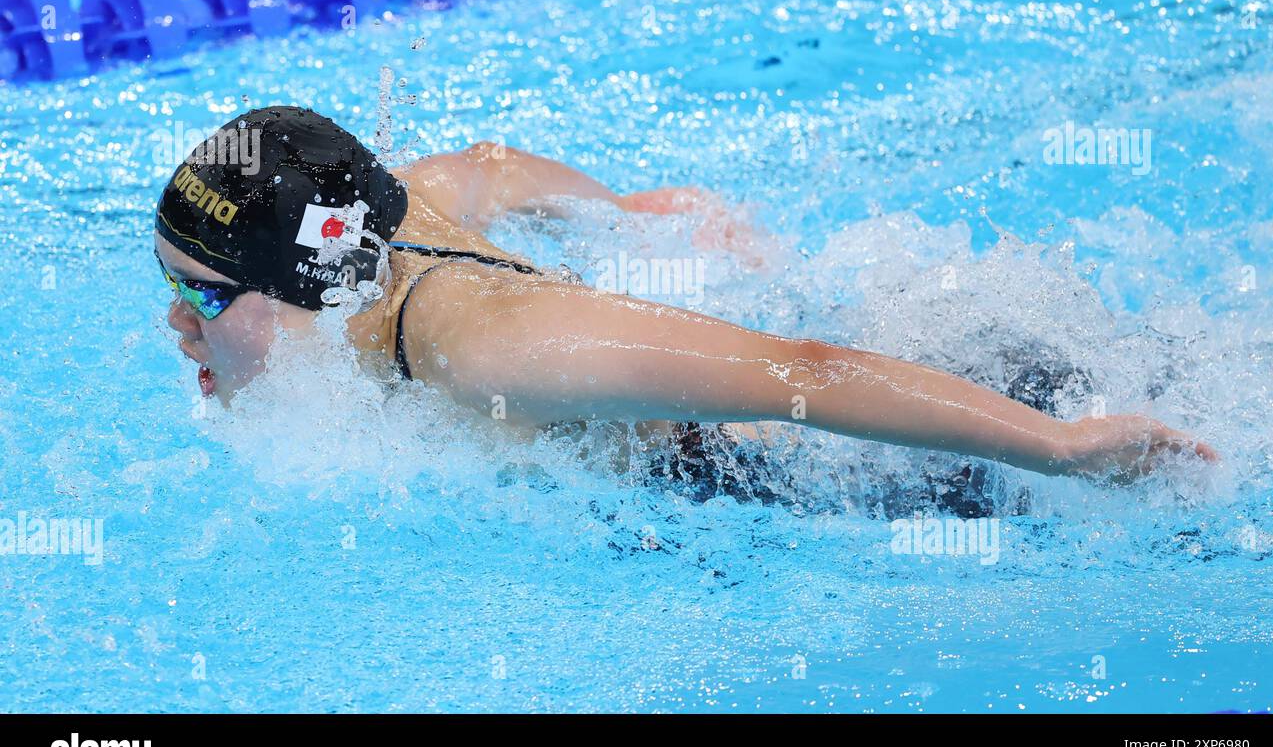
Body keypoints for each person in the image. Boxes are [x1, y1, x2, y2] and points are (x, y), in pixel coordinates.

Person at [154, 106, 1216, 495]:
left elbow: (802, 374)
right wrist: (627, 211)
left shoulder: (478, 349)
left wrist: (1064, 447)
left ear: (307, 290)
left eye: (199, 291)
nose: (176, 324)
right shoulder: (390, 224)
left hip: (894, 468)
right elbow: (483, 168)